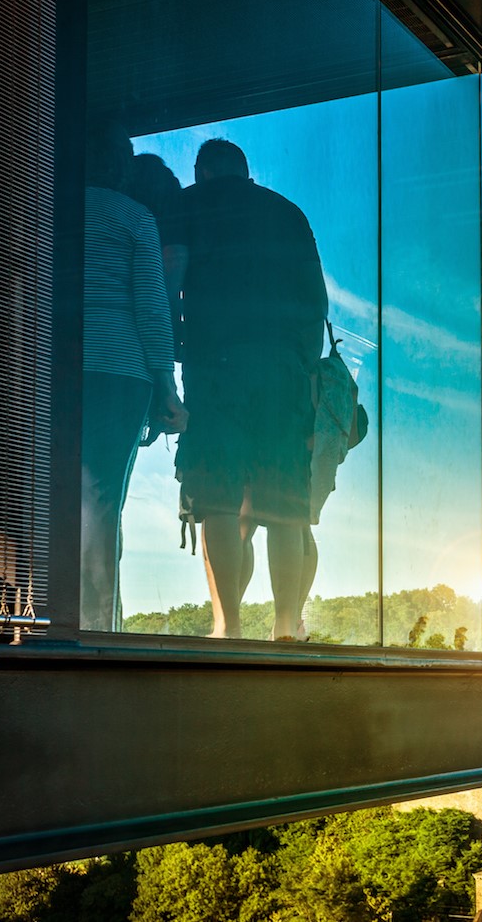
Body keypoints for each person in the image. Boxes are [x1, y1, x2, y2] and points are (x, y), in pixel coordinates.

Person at [176, 139, 327, 640]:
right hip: (282, 372)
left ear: (201, 172)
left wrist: (176, 342)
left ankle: (228, 626)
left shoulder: (190, 206)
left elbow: (170, 276)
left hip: (214, 369)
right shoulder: (288, 213)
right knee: (283, 503)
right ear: (247, 171)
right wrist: (303, 370)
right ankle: (286, 626)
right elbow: (315, 303)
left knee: (217, 498)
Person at [80, 133, 188, 632]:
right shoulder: (133, 217)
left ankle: (42, 616)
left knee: (57, 493)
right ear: (122, 169)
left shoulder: (50, 211)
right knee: (103, 500)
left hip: (58, 372)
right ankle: (95, 627)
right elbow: (152, 307)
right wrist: (165, 383)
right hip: (121, 375)